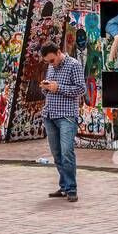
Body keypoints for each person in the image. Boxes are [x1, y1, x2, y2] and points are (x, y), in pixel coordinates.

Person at [40, 39, 86, 201]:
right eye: (48, 62)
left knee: (67, 152)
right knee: (57, 154)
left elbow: (81, 89)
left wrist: (57, 87)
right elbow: (49, 91)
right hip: (50, 115)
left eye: (52, 60)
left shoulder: (73, 65)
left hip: (66, 115)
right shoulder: (51, 67)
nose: (51, 64)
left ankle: (71, 189)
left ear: (59, 52)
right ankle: (64, 186)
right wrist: (46, 88)